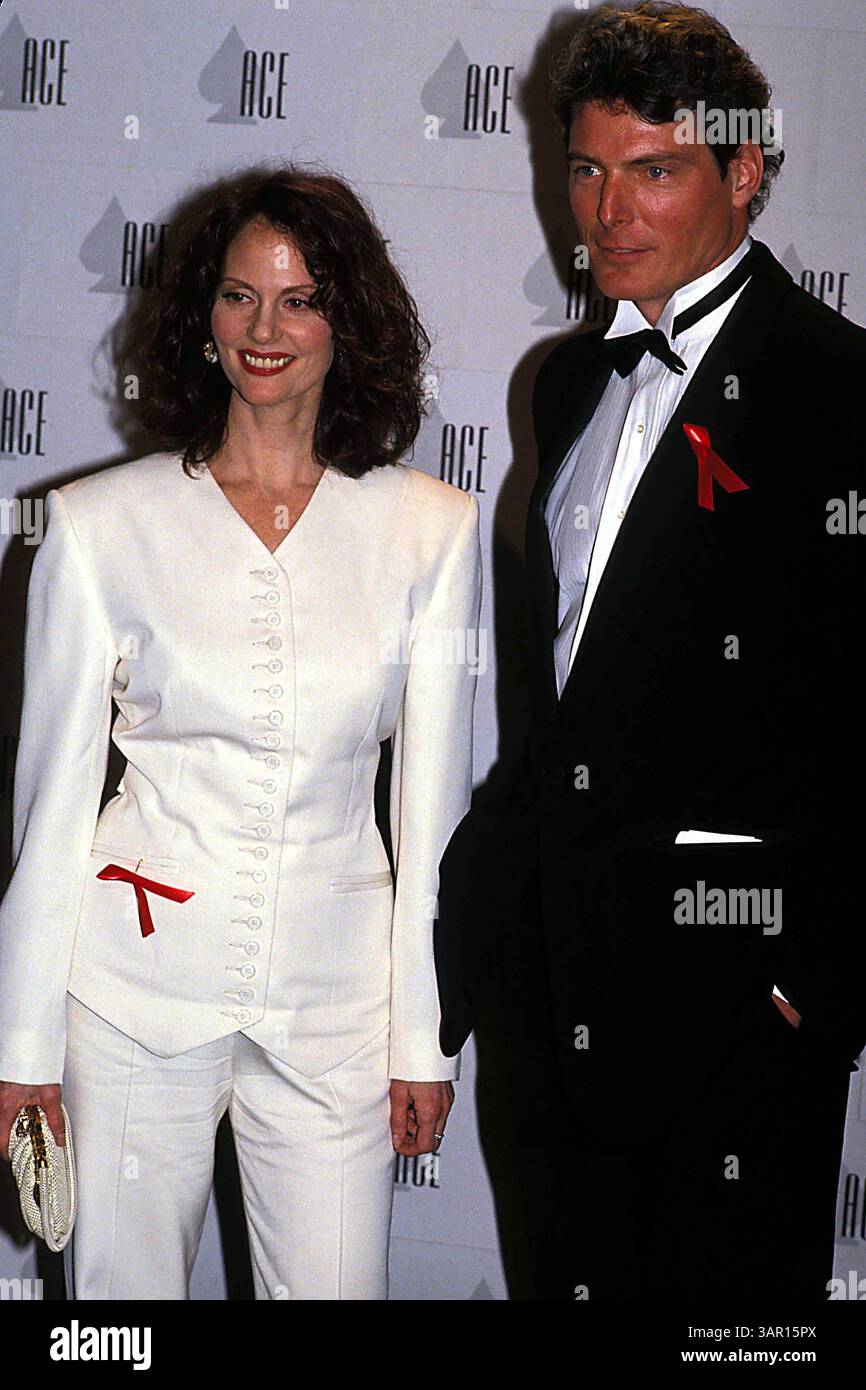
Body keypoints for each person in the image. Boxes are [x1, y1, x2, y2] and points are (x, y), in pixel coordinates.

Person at [435, 1, 865, 1300]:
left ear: (742, 172)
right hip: (545, 992)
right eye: (584, 169)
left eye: (654, 170)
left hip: (733, 1009)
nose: (604, 213)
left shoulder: (838, 389)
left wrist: (808, 987)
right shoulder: (560, 380)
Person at [0, 166, 482, 1300]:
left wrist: (423, 1037)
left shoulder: (429, 528)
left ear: (344, 321)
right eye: (236, 297)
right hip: (128, 995)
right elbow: (52, 805)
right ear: (201, 319)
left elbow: (431, 817)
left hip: (335, 1009)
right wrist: (22, 1050)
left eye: (300, 299)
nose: (265, 329)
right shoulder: (96, 525)